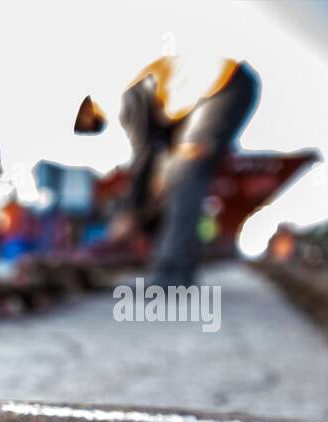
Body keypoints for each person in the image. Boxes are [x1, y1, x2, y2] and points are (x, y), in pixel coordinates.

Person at [76, 54, 260, 285]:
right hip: (209, 100)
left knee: (186, 177)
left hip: (223, 89)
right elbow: (158, 154)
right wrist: (153, 189)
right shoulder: (138, 94)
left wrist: (130, 212)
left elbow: (144, 154)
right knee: (176, 178)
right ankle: (173, 268)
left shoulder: (124, 99)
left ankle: (171, 275)